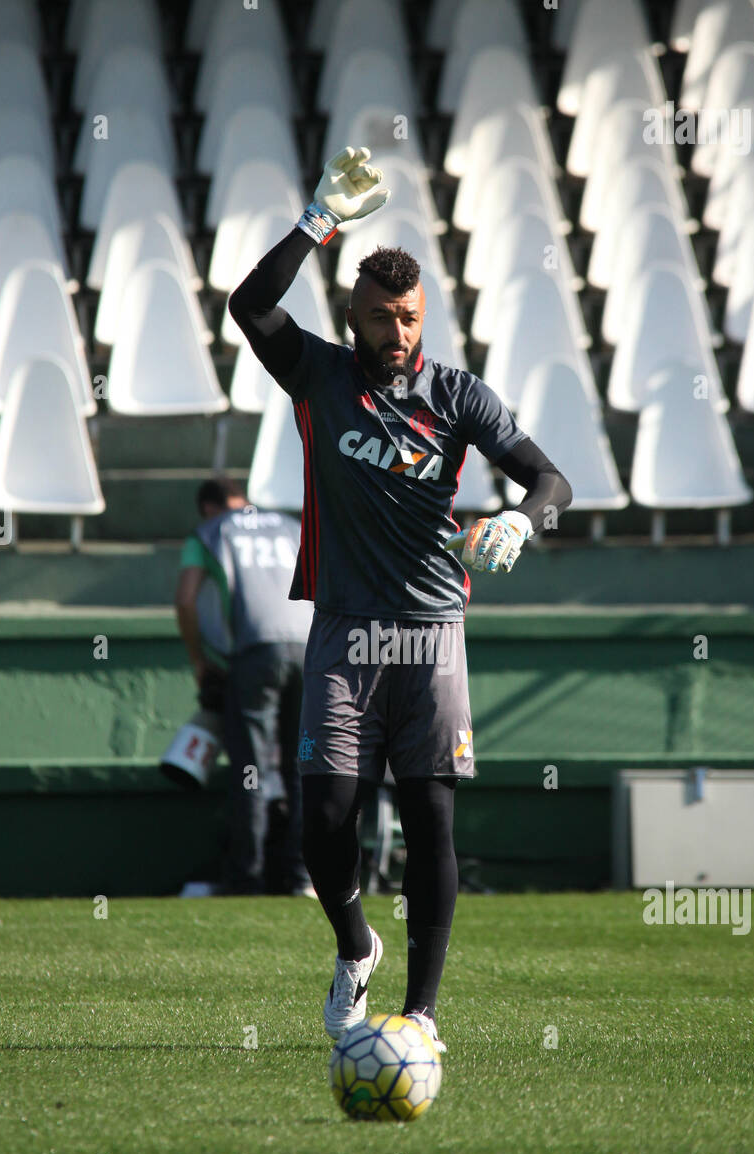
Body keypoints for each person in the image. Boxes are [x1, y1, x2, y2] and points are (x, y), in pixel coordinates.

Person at [228, 147, 572, 1049]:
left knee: (431, 820)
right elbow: (249, 307)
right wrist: (319, 222)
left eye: (411, 318)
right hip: (343, 631)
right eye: (382, 318)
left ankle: (420, 1014)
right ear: (354, 318)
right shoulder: (321, 378)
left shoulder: (456, 395)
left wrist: (524, 522)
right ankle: (354, 947)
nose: (399, 333)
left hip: (431, 633)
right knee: (325, 826)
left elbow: (549, 477)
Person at [175, 476, 315, 896]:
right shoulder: (290, 526)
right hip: (311, 650)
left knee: (251, 770)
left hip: (255, 654)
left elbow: (185, 600)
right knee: (306, 767)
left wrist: (200, 660)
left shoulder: (209, 531)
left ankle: (246, 878)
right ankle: (306, 878)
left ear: (208, 508)